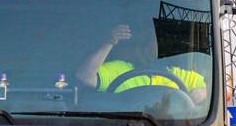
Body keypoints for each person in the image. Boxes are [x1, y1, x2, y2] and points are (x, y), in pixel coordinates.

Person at [75, 23, 208, 103]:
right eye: (158, 39)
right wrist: (110, 42)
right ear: (145, 43)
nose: (164, 45)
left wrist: (202, 92)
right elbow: (84, 76)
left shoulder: (178, 75)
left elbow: (209, 88)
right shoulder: (119, 69)